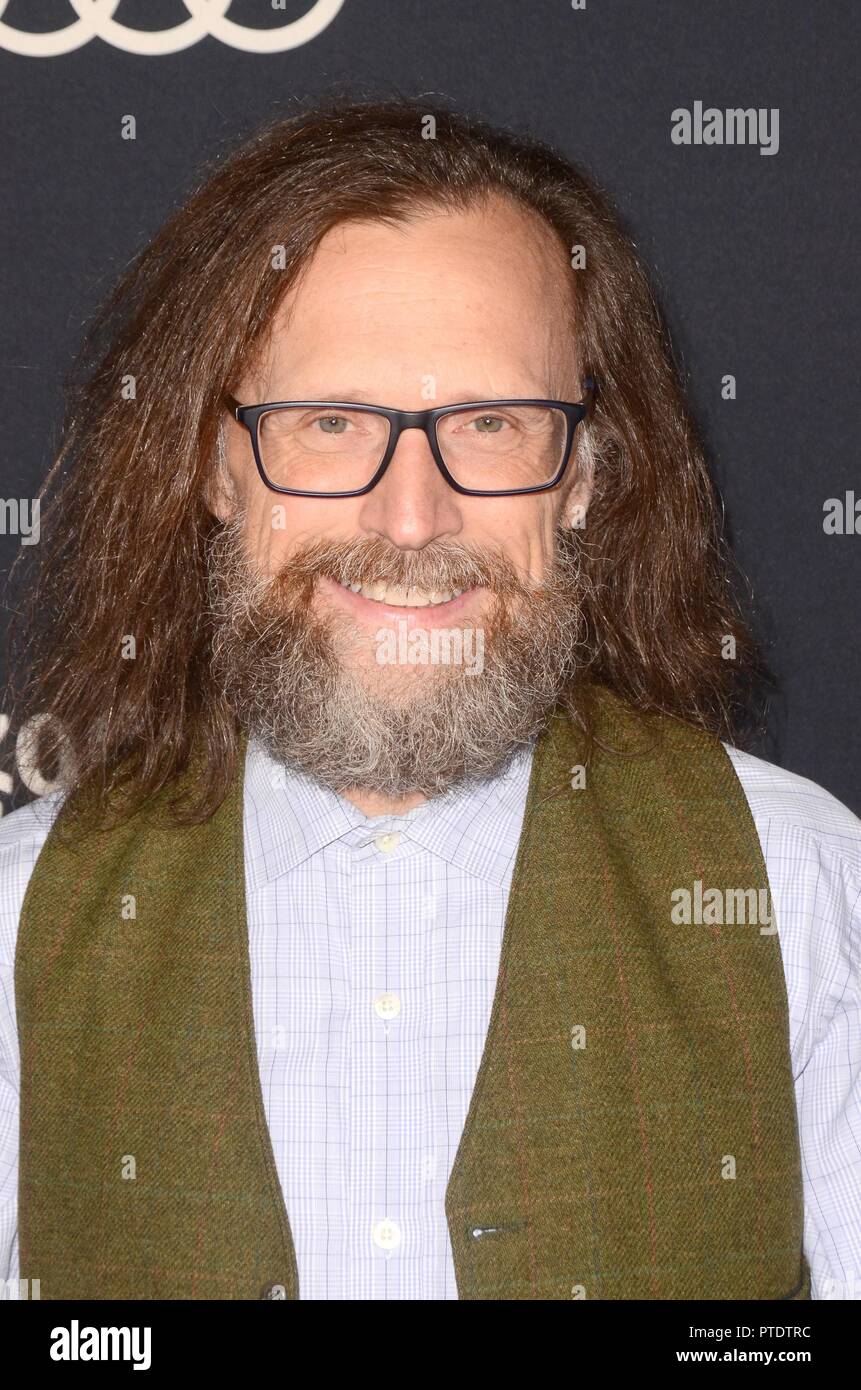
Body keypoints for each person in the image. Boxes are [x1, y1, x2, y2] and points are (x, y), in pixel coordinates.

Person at [1, 96, 858, 1302]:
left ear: (582, 478)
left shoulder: (806, 891)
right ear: (213, 464)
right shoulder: (21, 924)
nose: (411, 518)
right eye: (331, 422)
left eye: (494, 424)